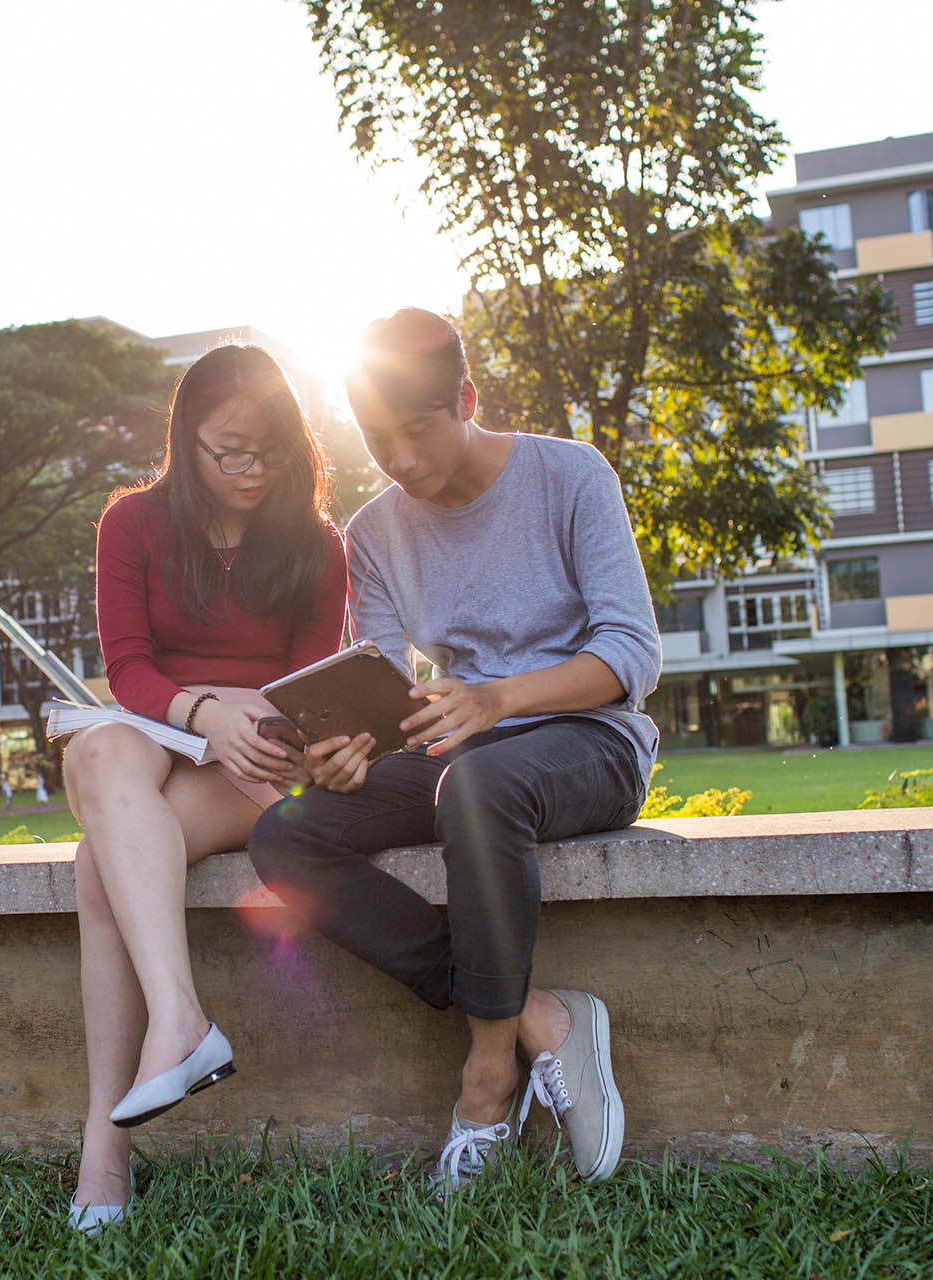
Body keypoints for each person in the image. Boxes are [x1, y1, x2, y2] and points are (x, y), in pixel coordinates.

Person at [247, 308, 661, 1189]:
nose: (399, 460)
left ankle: (485, 1077)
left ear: (467, 400)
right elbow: (390, 687)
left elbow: (632, 655)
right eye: (375, 439)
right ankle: (539, 1016)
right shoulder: (374, 533)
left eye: (417, 431)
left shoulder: (570, 475)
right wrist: (346, 752)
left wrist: (500, 697)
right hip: (462, 751)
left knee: (477, 785)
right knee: (287, 834)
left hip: (592, 739)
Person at [62, 344, 347, 1233]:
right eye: (229, 450)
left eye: (268, 449)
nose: (251, 470)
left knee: (101, 867)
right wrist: (202, 711)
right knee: (103, 753)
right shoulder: (133, 524)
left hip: (255, 760)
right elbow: (129, 672)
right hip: (161, 732)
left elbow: (310, 690)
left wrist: (238, 721)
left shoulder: (317, 543)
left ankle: (103, 1147)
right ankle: (179, 1018)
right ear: (185, 441)